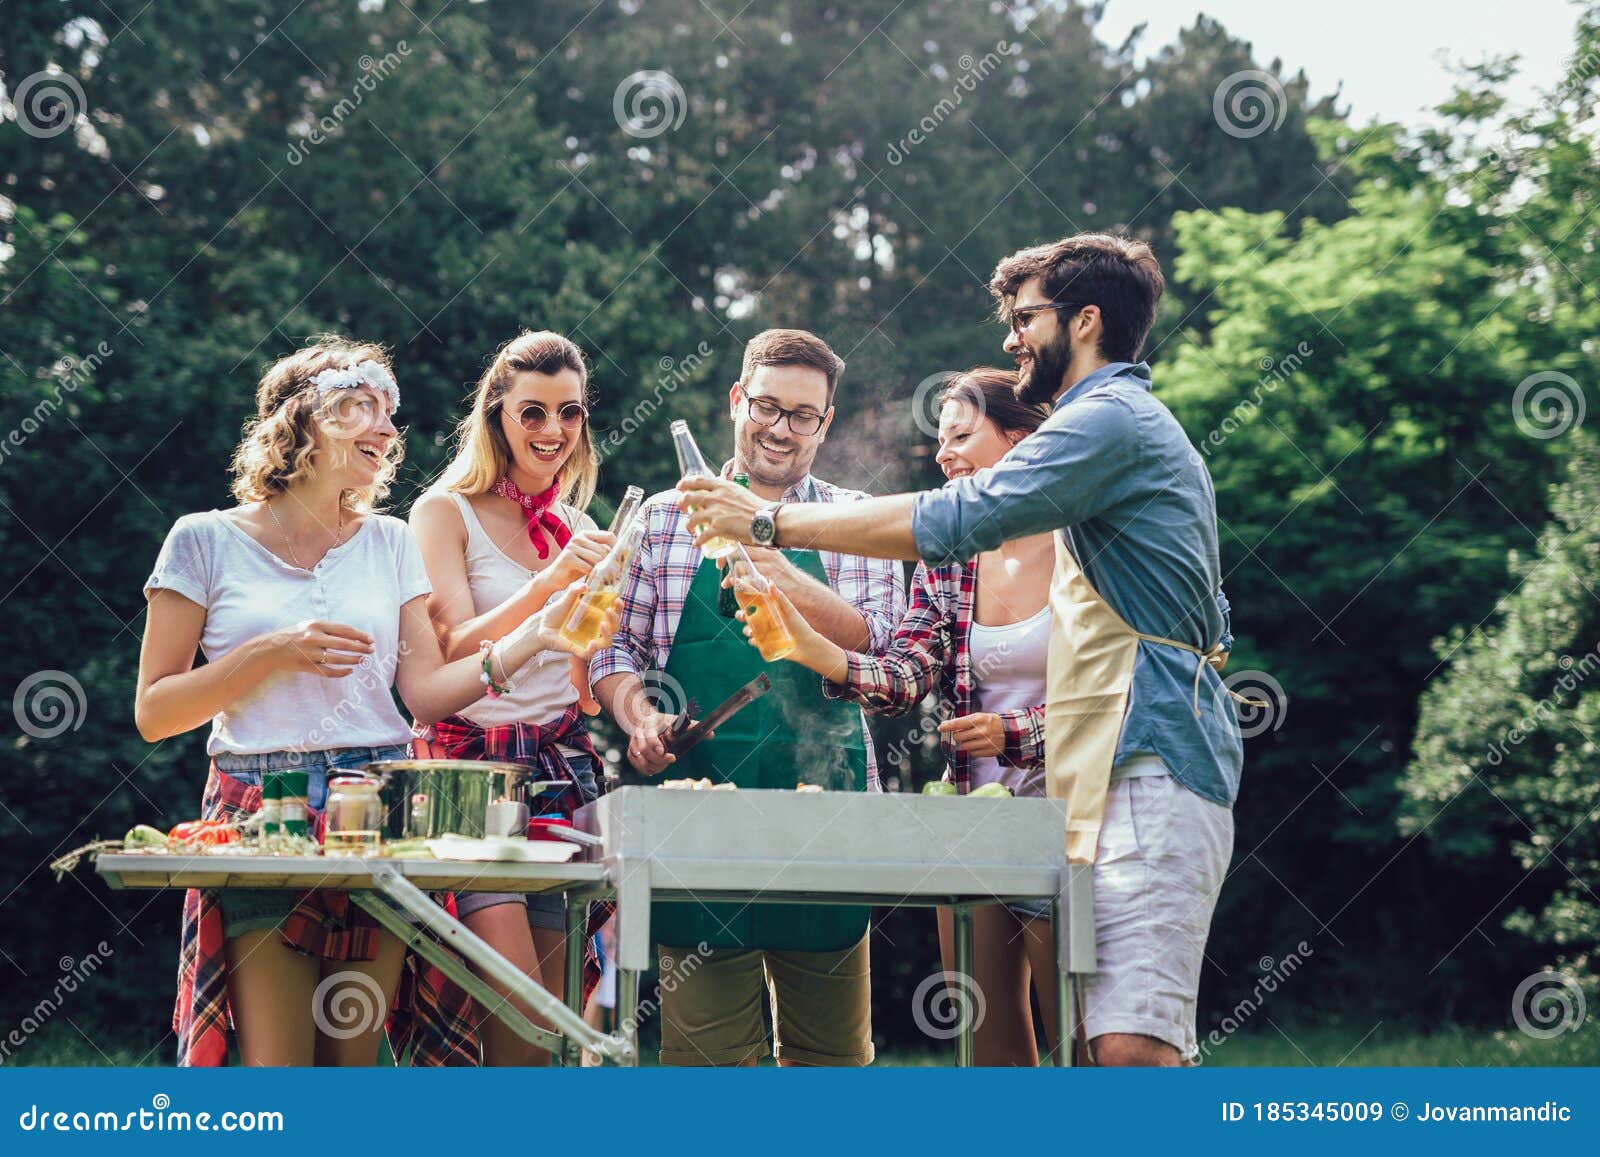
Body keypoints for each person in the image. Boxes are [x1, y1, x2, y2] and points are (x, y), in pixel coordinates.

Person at [680, 233, 1243, 1068]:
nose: (1013, 338)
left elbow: (951, 520)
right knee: (1097, 1045)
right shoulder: (1114, 426)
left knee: (1129, 1051)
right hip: (1108, 771)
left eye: (1026, 318)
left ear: (1085, 320)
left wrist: (765, 519)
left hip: (1152, 760)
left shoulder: (1108, 418)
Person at [137, 337, 612, 1067]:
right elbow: (155, 711)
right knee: (280, 1069)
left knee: (355, 1065)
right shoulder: (202, 541)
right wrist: (267, 653)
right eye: (363, 408)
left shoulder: (389, 542)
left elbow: (425, 691)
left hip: (378, 808)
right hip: (266, 810)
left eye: (389, 414)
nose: (388, 431)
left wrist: (534, 635)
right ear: (300, 418)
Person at [588, 328, 905, 1066]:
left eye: (803, 414)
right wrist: (638, 715)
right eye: (767, 405)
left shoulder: (856, 521)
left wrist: (771, 555)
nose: (781, 428)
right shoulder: (663, 518)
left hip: (829, 819)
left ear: (825, 424)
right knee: (708, 1070)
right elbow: (611, 645)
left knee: (831, 1067)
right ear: (736, 400)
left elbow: (877, 641)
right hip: (693, 817)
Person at [742, 368, 1057, 1065]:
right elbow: (903, 677)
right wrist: (807, 643)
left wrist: (1016, 732)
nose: (943, 454)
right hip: (979, 821)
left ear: (1025, 438)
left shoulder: (1085, 550)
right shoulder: (951, 559)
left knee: (1090, 1046)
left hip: (1079, 821)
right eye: (938, 439)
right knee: (992, 1050)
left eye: (962, 436)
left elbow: (1119, 698)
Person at [409, 330, 614, 1066]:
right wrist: (549, 585)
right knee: (519, 1026)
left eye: (570, 412)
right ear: (497, 415)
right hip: (467, 781)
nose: (553, 431)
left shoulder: (582, 528)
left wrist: (602, 644)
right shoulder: (444, 512)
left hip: (559, 776)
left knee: (554, 1033)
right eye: (532, 412)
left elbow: (579, 687)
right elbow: (448, 648)